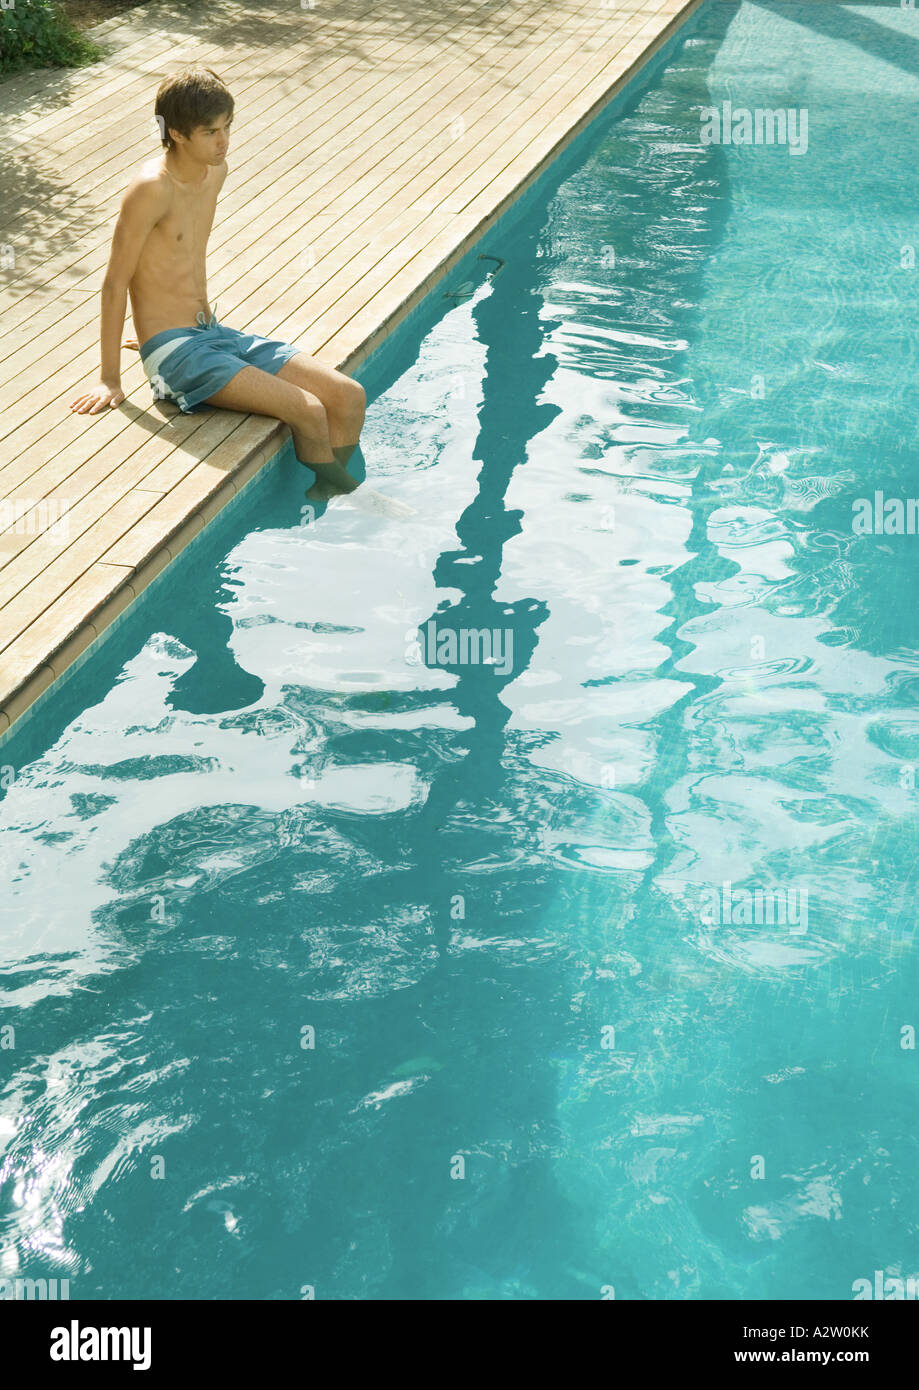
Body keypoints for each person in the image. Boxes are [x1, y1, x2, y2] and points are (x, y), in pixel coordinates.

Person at [70, 67, 365, 502]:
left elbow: (175, 257)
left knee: (347, 396)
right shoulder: (151, 188)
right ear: (177, 133)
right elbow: (115, 283)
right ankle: (355, 498)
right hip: (176, 355)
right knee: (308, 410)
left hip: (211, 333)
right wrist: (111, 378)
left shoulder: (215, 170)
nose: (224, 142)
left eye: (228, 127)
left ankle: (327, 491)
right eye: (210, 132)